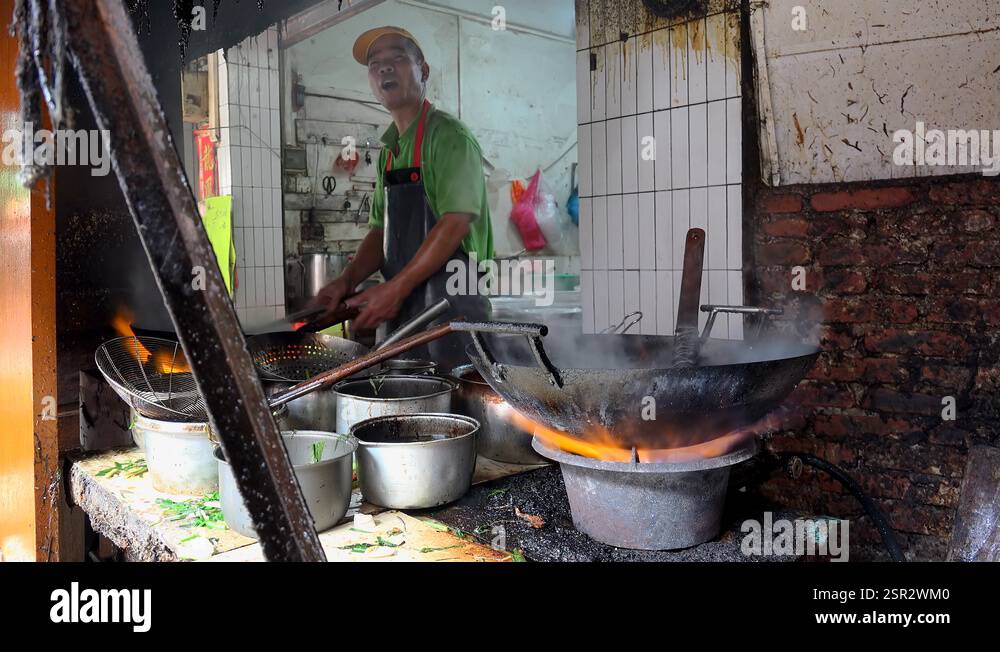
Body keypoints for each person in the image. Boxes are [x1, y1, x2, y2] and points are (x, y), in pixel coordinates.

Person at [313, 26, 493, 369]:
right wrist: (347, 281)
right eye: (374, 63)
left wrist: (395, 288)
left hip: (452, 317)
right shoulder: (390, 151)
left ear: (423, 71)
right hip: (400, 318)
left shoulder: (449, 137)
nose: (384, 68)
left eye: (397, 57)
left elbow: (454, 222)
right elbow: (380, 231)